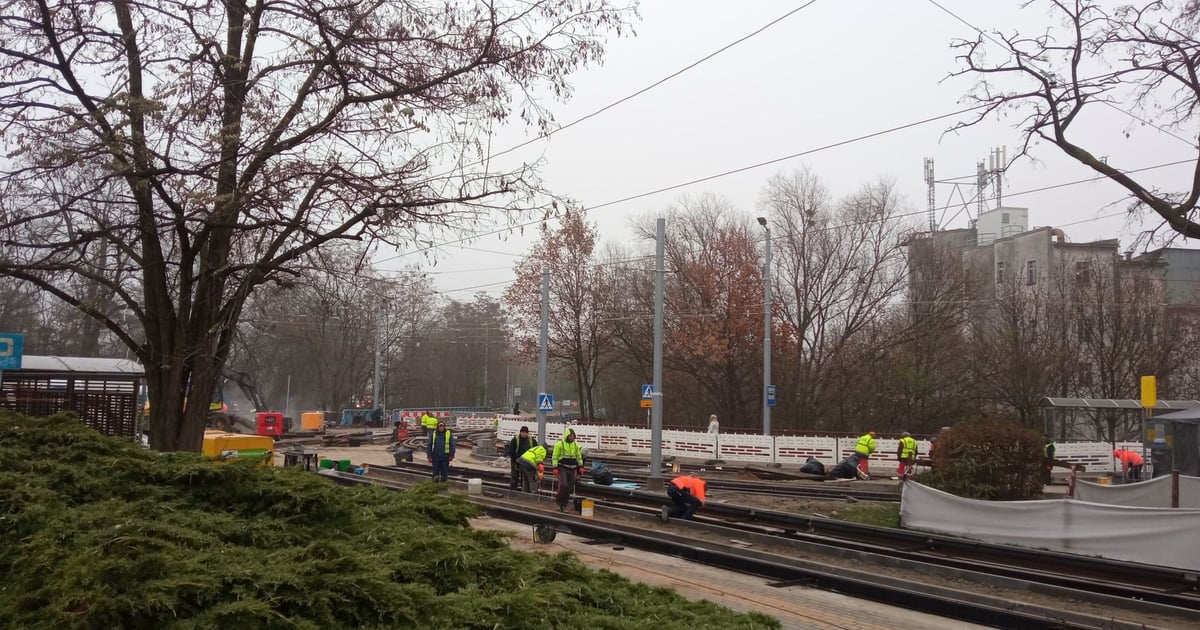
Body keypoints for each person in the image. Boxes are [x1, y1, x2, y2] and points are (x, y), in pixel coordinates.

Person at [552, 428, 584, 512]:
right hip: (562, 467)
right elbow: (555, 456)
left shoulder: (575, 445)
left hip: (572, 468)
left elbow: (578, 456)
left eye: (573, 436)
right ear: (567, 436)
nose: (572, 437)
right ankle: (559, 503)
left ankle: (564, 505)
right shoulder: (559, 444)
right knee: (563, 485)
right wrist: (555, 467)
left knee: (568, 488)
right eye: (570, 436)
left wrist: (580, 466)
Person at [506, 426, 539, 490]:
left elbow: (535, 449)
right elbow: (511, 450)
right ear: (520, 432)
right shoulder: (515, 440)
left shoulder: (531, 440)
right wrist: (516, 459)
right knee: (515, 475)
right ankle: (513, 488)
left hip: (526, 461)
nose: (524, 434)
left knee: (524, 476)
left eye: (525, 432)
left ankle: (523, 489)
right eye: (523, 432)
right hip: (516, 460)